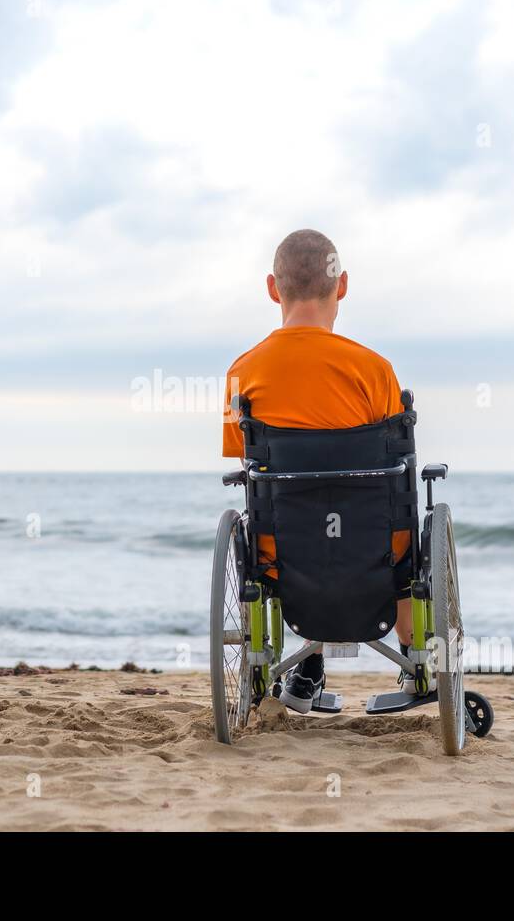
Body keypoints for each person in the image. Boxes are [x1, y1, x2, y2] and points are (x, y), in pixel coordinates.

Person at [221, 229, 416, 713]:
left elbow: (244, 464)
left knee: (281, 517)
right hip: (375, 546)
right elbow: (395, 468)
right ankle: (418, 659)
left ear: (272, 287)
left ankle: (302, 663)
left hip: (282, 551)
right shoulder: (376, 371)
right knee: (407, 537)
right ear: (342, 284)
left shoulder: (241, 374)